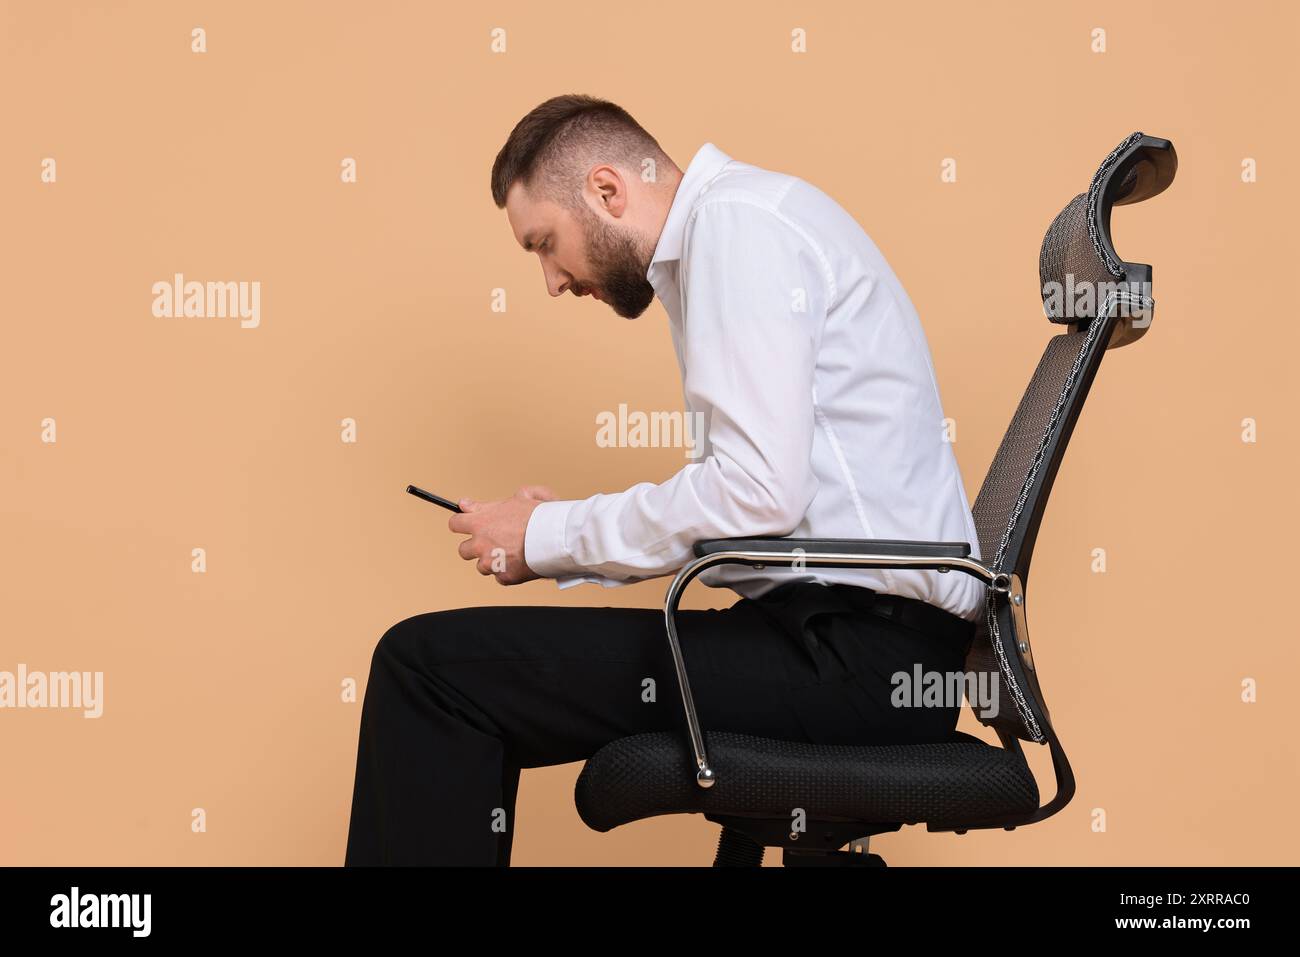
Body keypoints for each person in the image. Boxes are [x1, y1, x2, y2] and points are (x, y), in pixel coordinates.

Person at [344, 94, 984, 866]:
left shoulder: (739, 228)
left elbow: (757, 495)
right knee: (440, 664)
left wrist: (548, 537)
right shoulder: (743, 225)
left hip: (855, 663)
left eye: (544, 243)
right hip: (855, 652)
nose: (551, 281)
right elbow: (771, 517)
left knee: (427, 672)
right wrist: (561, 540)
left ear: (607, 190)